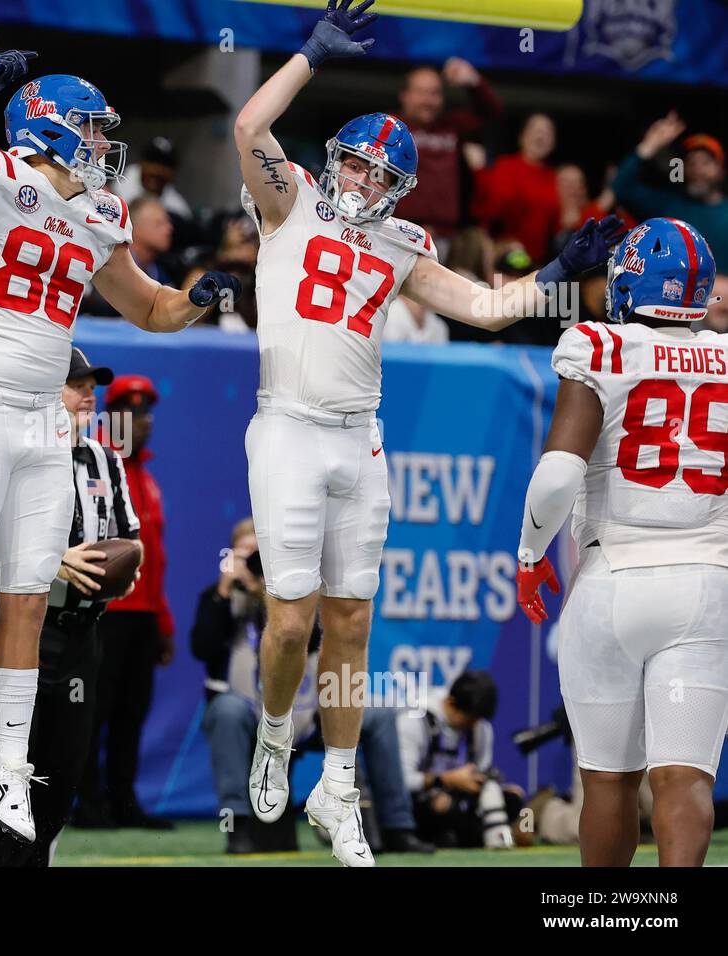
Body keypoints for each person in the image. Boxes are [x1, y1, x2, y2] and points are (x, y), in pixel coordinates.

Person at [231, 0, 624, 866]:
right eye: (358, 167)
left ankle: (337, 784)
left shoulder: (404, 241)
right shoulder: (287, 200)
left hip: (360, 435)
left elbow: (485, 308)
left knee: (353, 623)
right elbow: (250, 121)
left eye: (381, 174)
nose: (365, 182)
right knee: (291, 625)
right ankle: (270, 732)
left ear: (399, 188)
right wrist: (308, 56)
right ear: (337, 163)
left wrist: (560, 265)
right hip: (289, 427)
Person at [0, 51, 239, 845]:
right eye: (88, 127)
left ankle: (6, 762)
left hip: (44, 413)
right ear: (46, 127)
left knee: (31, 595)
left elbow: (148, 310)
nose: (101, 142)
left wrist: (198, 300)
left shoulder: (100, 213)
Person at [516, 217, 728, 867]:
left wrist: (529, 556)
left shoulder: (599, 346)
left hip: (612, 581)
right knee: (684, 777)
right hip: (706, 583)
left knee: (608, 781)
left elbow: (557, 475)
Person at [0, 346, 142, 865]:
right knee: (7, 768)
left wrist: (123, 576)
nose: (90, 395)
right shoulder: (10, 454)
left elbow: (129, 539)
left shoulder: (105, 460)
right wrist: (49, 559)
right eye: (77, 385)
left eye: (92, 385)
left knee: (61, 775)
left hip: (81, 631)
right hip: (18, 622)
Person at [192, 519, 432, 855]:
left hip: (308, 709)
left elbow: (314, 638)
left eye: (265, 555)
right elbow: (201, 648)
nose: (258, 565)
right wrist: (225, 593)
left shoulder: (300, 596)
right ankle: (238, 828)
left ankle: (398, 827)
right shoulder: (219, 599)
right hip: (247, 708)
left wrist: (277, 593)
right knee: (226, 712)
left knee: (378, 715)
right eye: (250, 556)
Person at [76, 373, 173, 830]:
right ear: (111, 418)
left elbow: (156, 560)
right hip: (105, 613)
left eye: (148, 414)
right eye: (133, 414)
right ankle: (88, 801)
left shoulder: (148, 480)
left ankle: (123, 799)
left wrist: (163, 621)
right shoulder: (94, 468)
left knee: (131, 713)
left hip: (142, 615)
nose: (144, 423)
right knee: (94, 709)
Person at [396, 670, 520, 849]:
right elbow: (400, 782)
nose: (473, 726)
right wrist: (445, 779)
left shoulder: (480, 727)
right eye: (468, 720)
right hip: (420, 803)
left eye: (477, 720)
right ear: (450, 703)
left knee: (513, 797)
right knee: (441, 804)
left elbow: (480, 772)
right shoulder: (413, 720)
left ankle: (484, 836)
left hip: (460, 801)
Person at [393, 58, 503, 244]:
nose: (428, 100)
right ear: (404, 95)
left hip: (445, 237)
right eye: (421, 92)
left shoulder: (452, 126)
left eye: (434, 93)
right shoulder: (390, 126)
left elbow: (491, 113)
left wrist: (473, 82)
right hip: (397, 232)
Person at [610, 113, 728, 261]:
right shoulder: (668, 205)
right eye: (692, 163)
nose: (698, 170)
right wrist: (649, 146)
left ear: (721, 170)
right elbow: (622, 187)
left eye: (706, 163)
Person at [471, 113, 561, 264]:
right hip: (506, 258)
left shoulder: (556, 177)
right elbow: (489, 210)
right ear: (522, 137)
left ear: (553, 142)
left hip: (542, 262)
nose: (541, 137)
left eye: (547, 132)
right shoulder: (506, 167)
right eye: (535, 130)